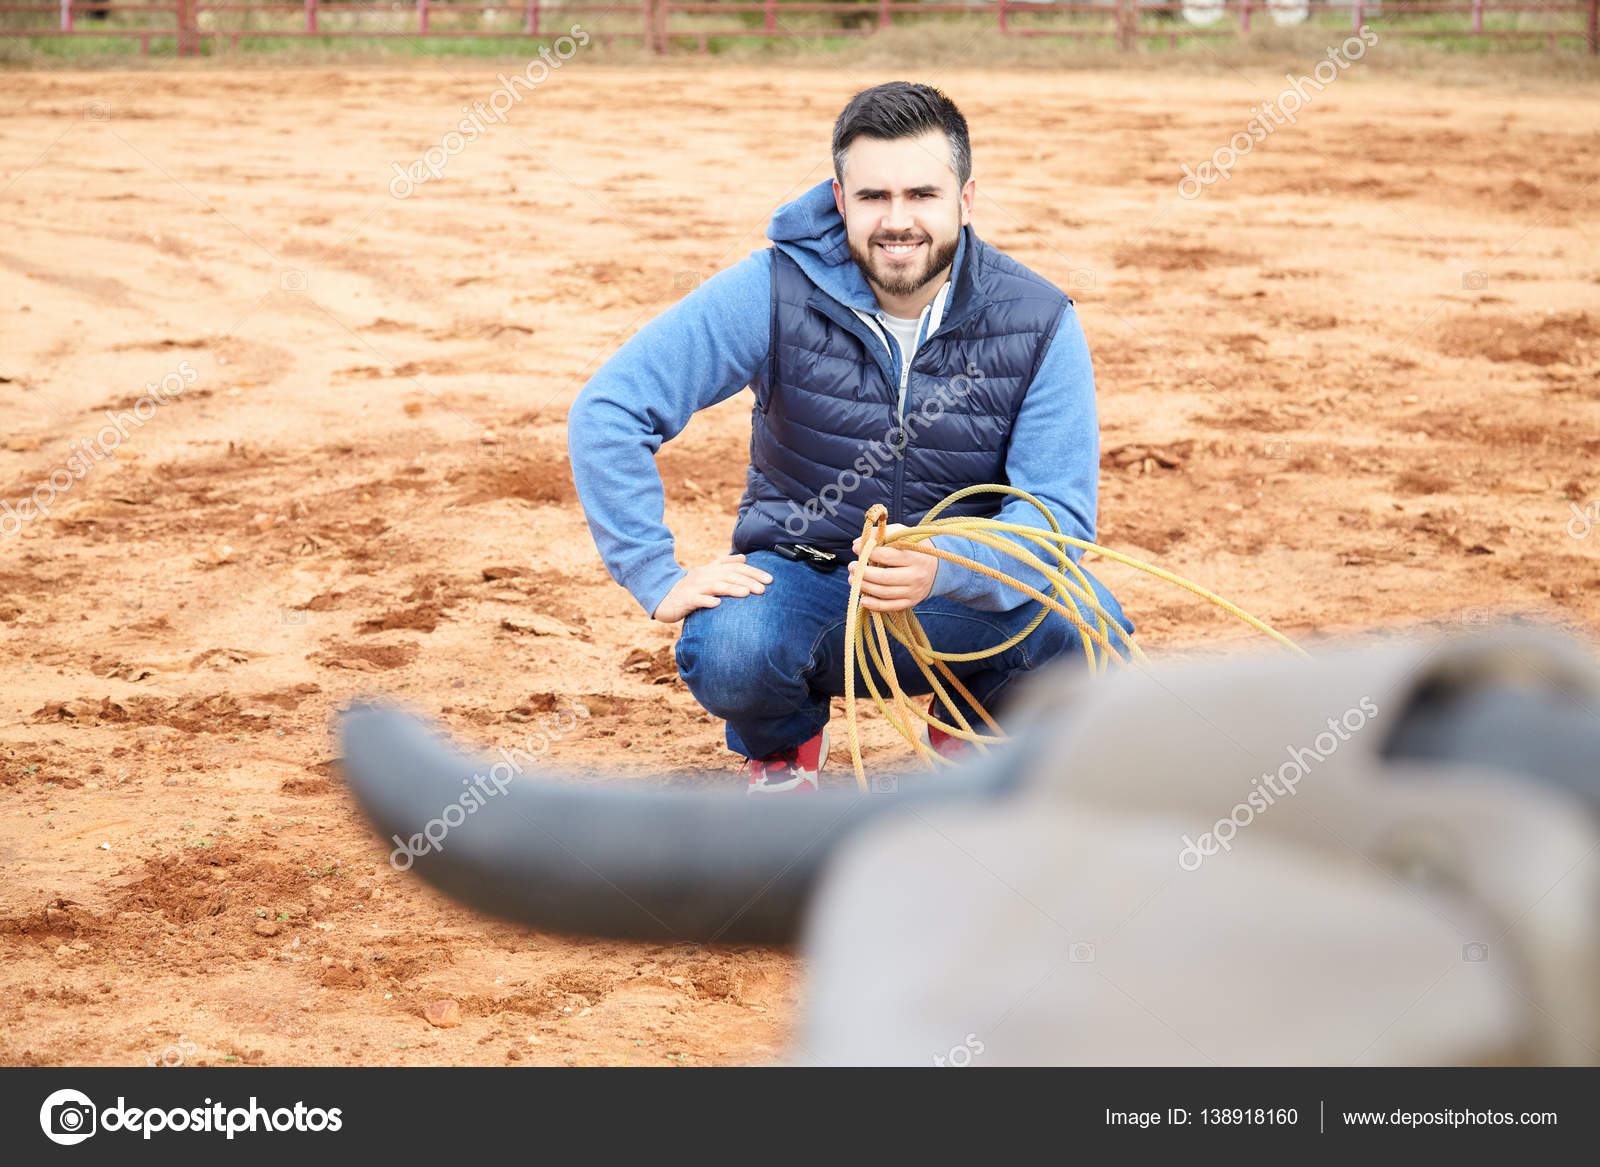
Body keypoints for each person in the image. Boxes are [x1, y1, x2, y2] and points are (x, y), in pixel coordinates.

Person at [567, 81, 1131, 794]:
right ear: (839, 198)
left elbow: (1056, 520)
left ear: (966, 197)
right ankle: (784, 747)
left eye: (923, 194)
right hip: (809, 587)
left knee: (1089, 628)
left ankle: (973, 724)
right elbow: (610, 408)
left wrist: (946, 563)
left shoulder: (1042, 319)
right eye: (873, 197)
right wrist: (656, 573)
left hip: (958, 593)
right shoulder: (771, 288)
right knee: (732, 647)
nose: (898, 221)